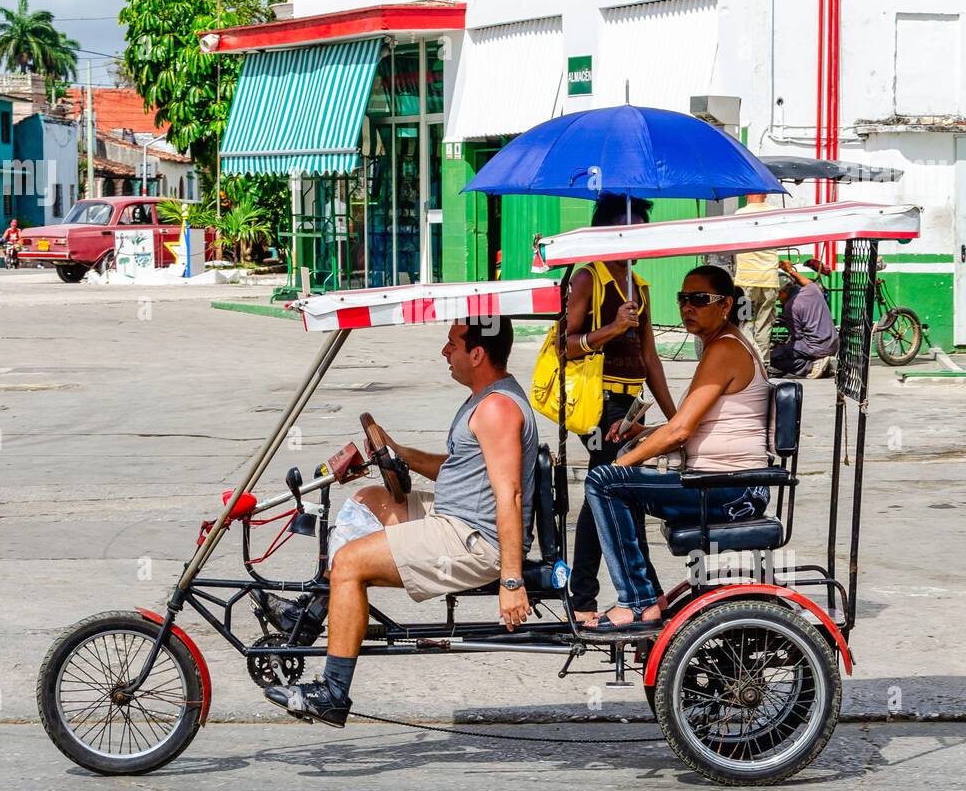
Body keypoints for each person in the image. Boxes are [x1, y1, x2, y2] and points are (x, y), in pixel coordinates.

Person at [264, 316, 540, 727]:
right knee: (367, 499)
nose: (445, 351)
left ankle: (333, 691)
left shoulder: (497, 408)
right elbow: (456, 468)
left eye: (452, 344)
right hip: (454, 515)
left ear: (478, 354)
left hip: (474, 539)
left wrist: (512, 581)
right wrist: (397, 453)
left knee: (349, 563)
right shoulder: (485, 398)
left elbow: (510, 494)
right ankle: (313, 613)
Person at [582, 265, 771, 630]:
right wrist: (643, 430)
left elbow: (681, 430)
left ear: (726, 304)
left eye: (699, 299)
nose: (688, 307)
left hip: (731, 489)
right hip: (722, 483)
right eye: (683, 299)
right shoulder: (720, 346)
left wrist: (625, 462)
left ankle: (637, 602)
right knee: (620, 483)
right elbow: (688, 423)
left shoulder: (726, 350)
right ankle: (646, 596)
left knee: (604, 482)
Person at [562, 193, 676, 620]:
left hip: (631, 405)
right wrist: (612, 328)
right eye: (633, 226)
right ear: (610, 229)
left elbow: (650, 360)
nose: (640, 236)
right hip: (600, 402)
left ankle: (610, 595)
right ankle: (607, 597)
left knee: (611, 490)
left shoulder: (640, 287)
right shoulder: (588, 279)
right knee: (610, 487)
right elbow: (565, 345)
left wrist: (675, 416)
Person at [771, 259, 839, 378]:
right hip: (833, 343)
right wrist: (790, 270)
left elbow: (797, 337)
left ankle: (811, 366)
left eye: (777, 294)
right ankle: (824, 367)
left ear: (782, 292)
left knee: (775, 356)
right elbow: (804, 280)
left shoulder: (791, 307)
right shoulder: (812, 289)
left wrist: (782, 347)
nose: (777, 298)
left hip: (816, 347)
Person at [733, 193, 780, 364]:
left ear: (746, 194)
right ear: (766, 195)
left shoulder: (739, 215)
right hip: (769, 280)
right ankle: (763, 362)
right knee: (764, 323)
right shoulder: (775, 213)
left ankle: (744, 360)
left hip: (746, 283)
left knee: (743, 320)